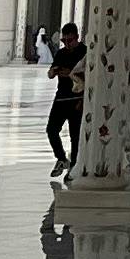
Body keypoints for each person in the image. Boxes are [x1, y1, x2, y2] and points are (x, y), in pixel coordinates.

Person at [45, 17, 86, 179]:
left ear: (77, 37)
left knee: (75, 135)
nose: (67, 43)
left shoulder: (84, 52)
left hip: (77, 98)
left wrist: (70, 74)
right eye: (64, 40)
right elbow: (50, 73)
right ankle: (61, 158)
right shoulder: (61, 53)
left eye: (70, 40)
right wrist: (53, 72)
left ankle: (74, 167)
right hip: (61, 98)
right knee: (51, 129)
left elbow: (88, 75)